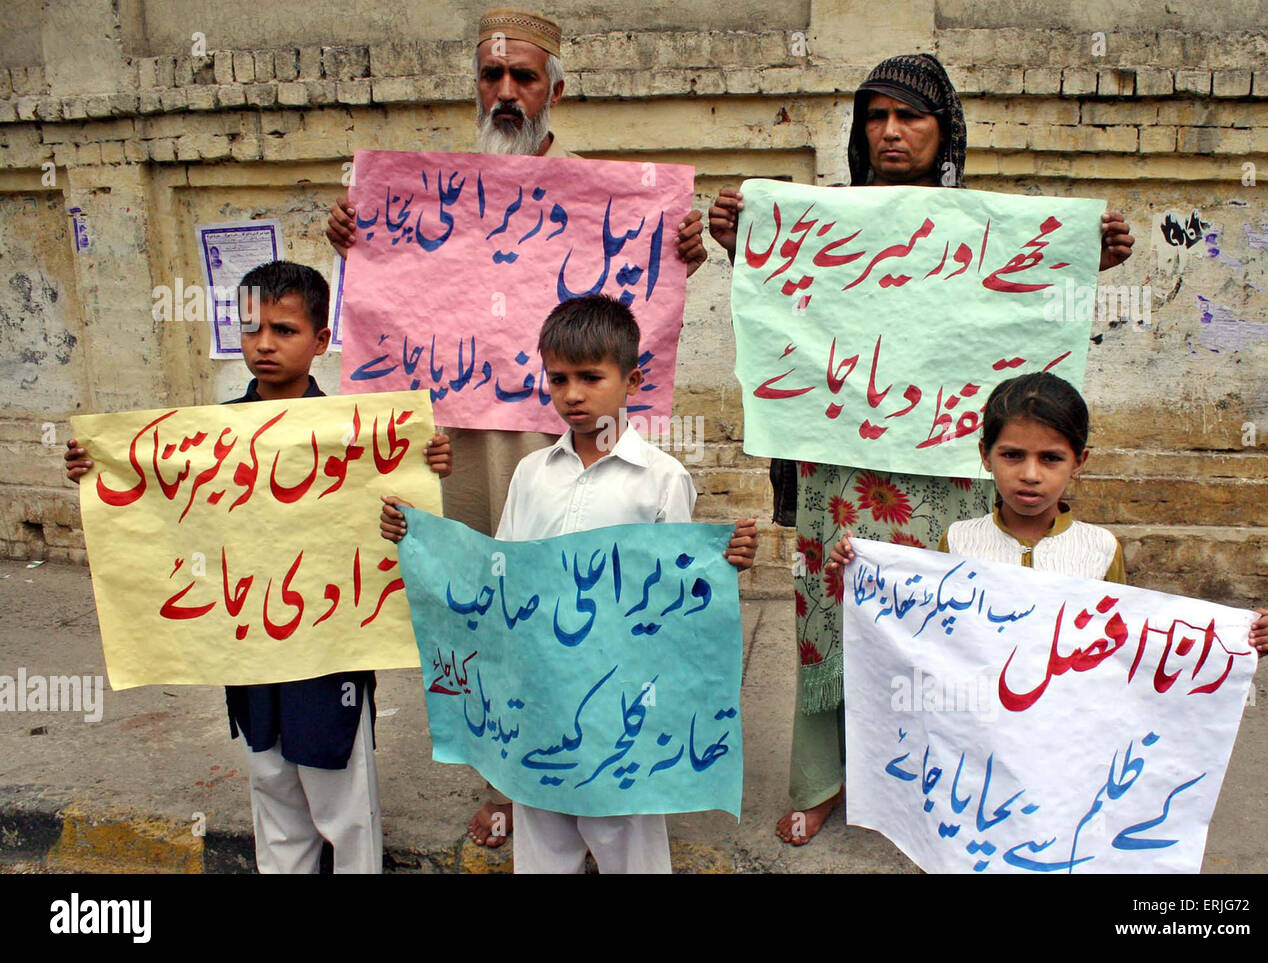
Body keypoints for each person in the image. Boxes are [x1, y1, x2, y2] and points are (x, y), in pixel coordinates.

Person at [707, 52, 1137, 846]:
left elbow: (1028, 313)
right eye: (876, 116)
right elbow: (782, 310)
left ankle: (947, 781)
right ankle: (823, 779)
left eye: (910, 116)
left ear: (947, 131)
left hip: (947, 467)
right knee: (832, 610)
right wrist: (748, 243)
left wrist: (1082, 258)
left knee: (952, 626)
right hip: (843, 459)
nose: (891, 132)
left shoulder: (986, 228)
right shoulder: (820, 221)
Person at [327, 8, 708, 848]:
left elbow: (639, 303)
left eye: (523, 77)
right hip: (459, 436)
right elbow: (379, 305)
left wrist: (683, 246)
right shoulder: (421, 191)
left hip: (555, 441)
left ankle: (602, 757)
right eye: (492, 77)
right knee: (488, 605)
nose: (506, 92)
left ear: (554, 89)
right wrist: (351, 243)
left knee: (571, 606)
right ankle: (505, 775)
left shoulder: (601, 193)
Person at [65, 261, 453, 873]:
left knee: (344, 804)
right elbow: (153, 496)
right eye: (251, 330)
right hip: (249, 645)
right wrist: (100, 468)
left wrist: (424, 461)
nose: (264, 344)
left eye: (284, 329)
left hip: (331, 648)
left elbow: (406, 517)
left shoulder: (358, 435)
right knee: (271, 786)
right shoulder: (208, 438)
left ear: (321, 341)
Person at [380, 293, 757, 872]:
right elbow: (497, 573)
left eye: (590, 377)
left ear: (632, 381)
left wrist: (722, 563)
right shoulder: (531, 474)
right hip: (539, 698)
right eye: (558, 379)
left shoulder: (661, 480)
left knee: (626, 838)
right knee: (542, 838)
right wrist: (418, 535)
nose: (573, 395)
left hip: (623, 707)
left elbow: (678, 597)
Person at [825, 370, 1268, 642]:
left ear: (1079, 462)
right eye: (1012, 455)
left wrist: (1233, 640)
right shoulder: (959, 539)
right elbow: (925, 629)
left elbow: (1129, 640)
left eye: (1051, 458)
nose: (1031, 474)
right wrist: (856, 572)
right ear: (985, 455)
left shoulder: (1100, 549)